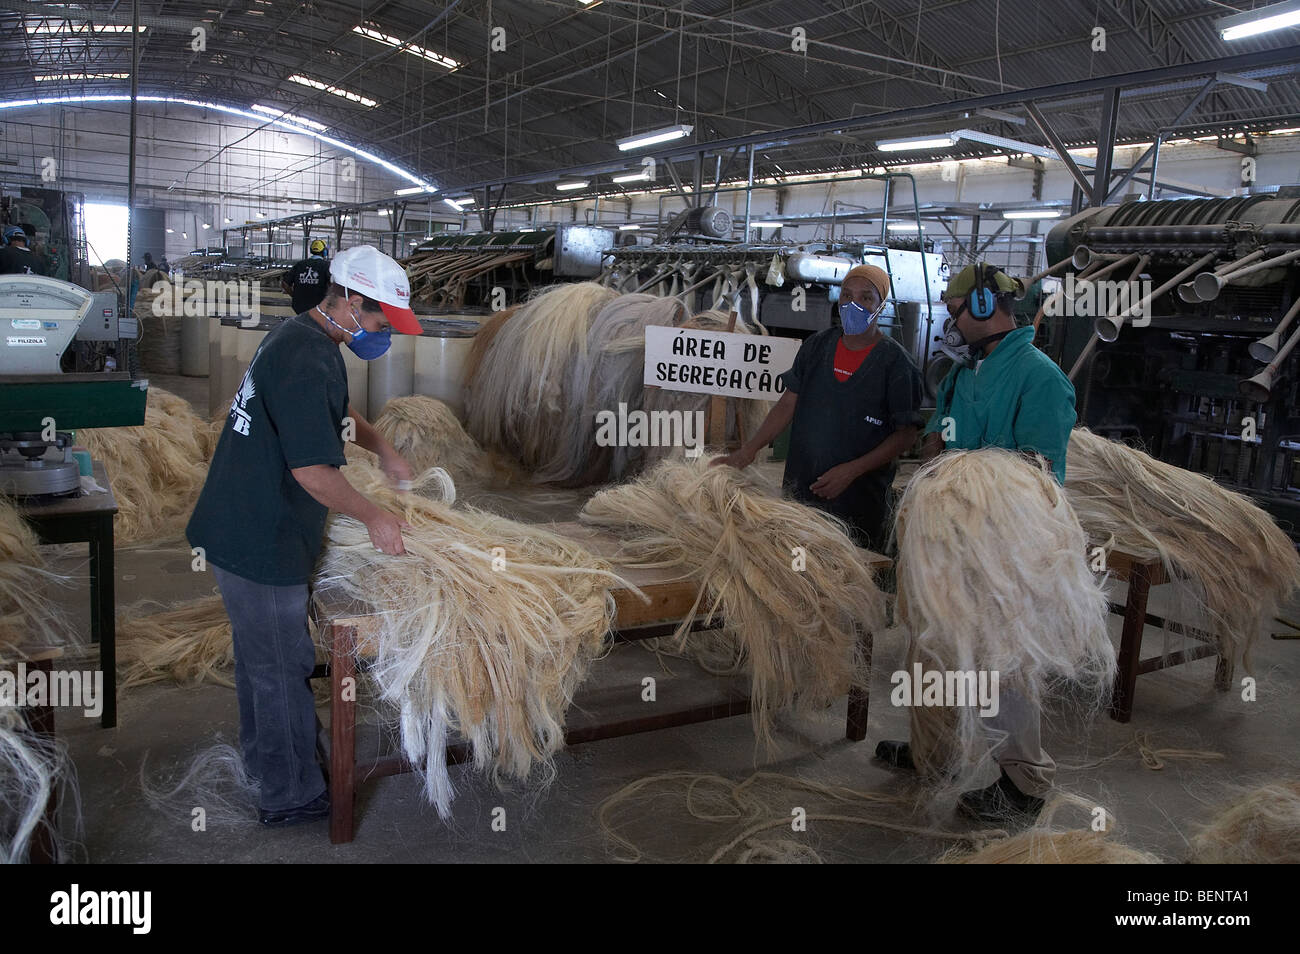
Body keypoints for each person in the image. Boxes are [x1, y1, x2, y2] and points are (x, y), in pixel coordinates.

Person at [187, 245, 423, 827]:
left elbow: (334, 410)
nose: (379, 333)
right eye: (377, 319)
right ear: (348, 300)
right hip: (258, 537)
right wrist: (375, 517)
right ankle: (290, 795)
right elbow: (312, 472)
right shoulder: (307, 356)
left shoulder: (307, 338)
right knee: (279, 667)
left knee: (262, 663)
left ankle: (270, 765)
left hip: (240, 521)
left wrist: (384, 447)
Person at [875, 261, 1077, 825]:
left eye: (955, 311)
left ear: (984, 307)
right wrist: (935, 451)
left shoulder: (1039, 377)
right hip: (949, 540)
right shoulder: (967, 374)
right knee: (932, 645)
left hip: (1004, 548)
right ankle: (932, 750)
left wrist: (970, 482)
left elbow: (1039, 475)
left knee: (1000, 663)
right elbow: (939, 439)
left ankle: (1025, 783)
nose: (950, 322)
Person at [713, 263, 923, 551]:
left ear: (881, 306)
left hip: (858, 499)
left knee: (849, 574)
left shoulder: (897, 365)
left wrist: (851, 471)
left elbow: (906, 435)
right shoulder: (817, 347)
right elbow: (787, 404)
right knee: (799, 571)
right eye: (847, 295)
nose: (853, 304)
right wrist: (749, 450)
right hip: (803, 489)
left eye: (866, 298)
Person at [281, 239, 331, 315]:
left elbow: (285, 283)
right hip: (318, 307)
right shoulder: (326, 266)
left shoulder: (300, 264)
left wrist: (295, 296)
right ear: (325, 252)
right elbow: (333, 285)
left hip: (299, 307)